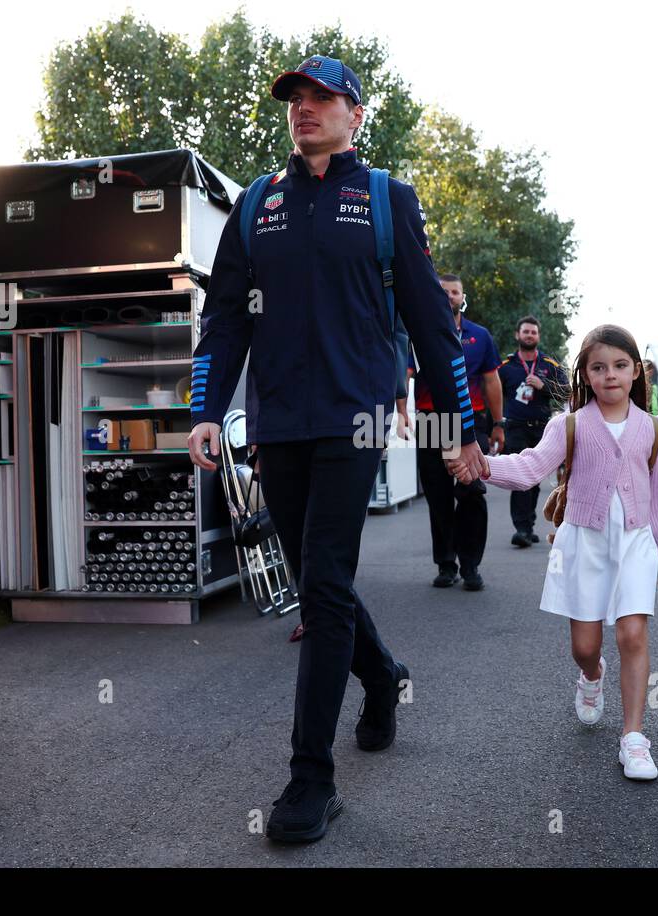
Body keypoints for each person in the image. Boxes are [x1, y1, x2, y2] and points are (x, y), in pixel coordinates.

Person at [186, 55, 487, 843]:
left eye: (323, 97)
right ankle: (382, 674)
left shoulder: (387, 200)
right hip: (276, 424)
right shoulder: (256, 205)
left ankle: (309, 779)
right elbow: (224, 320)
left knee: (321, 585)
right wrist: (208, 410)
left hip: (354, 423)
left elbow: (430, 322)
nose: (305, 108)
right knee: (319, 578)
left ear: (356, 112)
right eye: (295, 98)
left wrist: (457, 426)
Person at [452, 324, 658, 779]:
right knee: (585, 646)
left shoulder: (656, 430)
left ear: (636, 371)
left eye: (620, 366)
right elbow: (530, 466)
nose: (610, 375)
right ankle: (591, 677)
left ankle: (634, 739)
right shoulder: (570, 424)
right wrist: (482, 465)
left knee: (633, 635)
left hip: (636, 543)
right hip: (584, 542)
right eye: (599, 367)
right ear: (585, 374)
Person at [408, 274, 503, 591]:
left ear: (463, 297)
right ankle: (446, 564)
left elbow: (491, 381)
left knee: (472, 491)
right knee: (437, 494)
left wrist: (499, 423)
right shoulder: (419, 334)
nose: (449, 296)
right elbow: (403, 374)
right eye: (443, 291)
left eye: (454, 292)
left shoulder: (480, 336)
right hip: (431, 421)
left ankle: (471, 564)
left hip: (470, 420)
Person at [497, 316, 568, 547]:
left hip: (542, 429)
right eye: (525, 331)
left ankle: (528, 524)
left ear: (538, 336)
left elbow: (567, 392)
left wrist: (543, 386)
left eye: (533, 332)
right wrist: (495, 428)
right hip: (515, 427)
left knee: (535, 479)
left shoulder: (549, 365)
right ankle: (522, 529)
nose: (529, 335)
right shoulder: (506, 367)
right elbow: (494, 396)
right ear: (518, 335)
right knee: (520, 477)